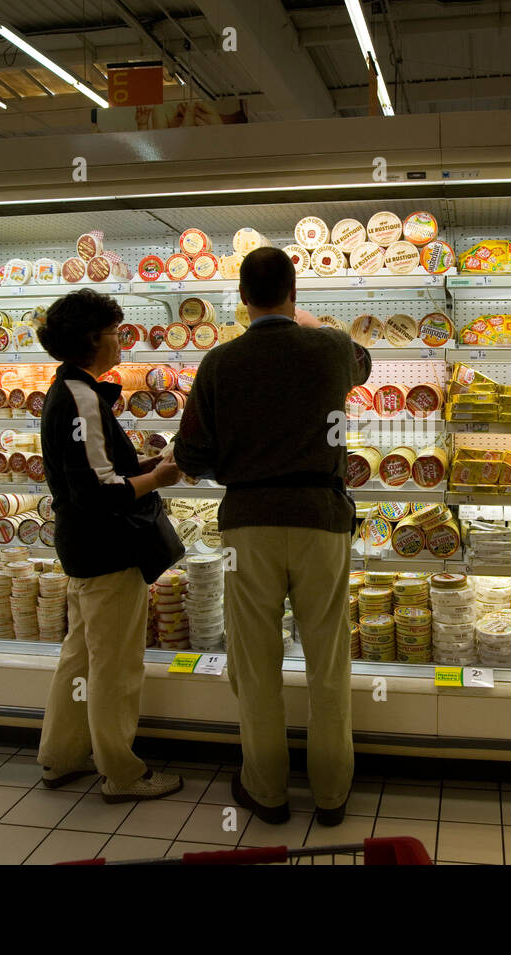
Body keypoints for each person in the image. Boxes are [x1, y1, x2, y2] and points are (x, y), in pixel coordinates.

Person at [171, 247, 371, 827]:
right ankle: (332, 794)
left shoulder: (217, 363)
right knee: (327, 659)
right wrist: (308, 321)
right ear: (294, 291)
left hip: (248, 523)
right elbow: (364, 365)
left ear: (240, 299)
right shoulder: (331, 349)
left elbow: (191, 455)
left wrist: (240, 456)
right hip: (320, 517)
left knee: (255, 663)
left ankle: (268, 790)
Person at [35, 288, 184, 803]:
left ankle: (60, 756)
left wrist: (143, 468)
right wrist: (158, 479)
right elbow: (99, 492)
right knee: (115, 668)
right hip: (108, 548)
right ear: (90, 339)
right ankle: (122, 773)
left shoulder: (70, 389)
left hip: (82, 547)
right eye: (115, 331)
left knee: (78, 657)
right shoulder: (81, 397)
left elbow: (95, 475)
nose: (121, 339)